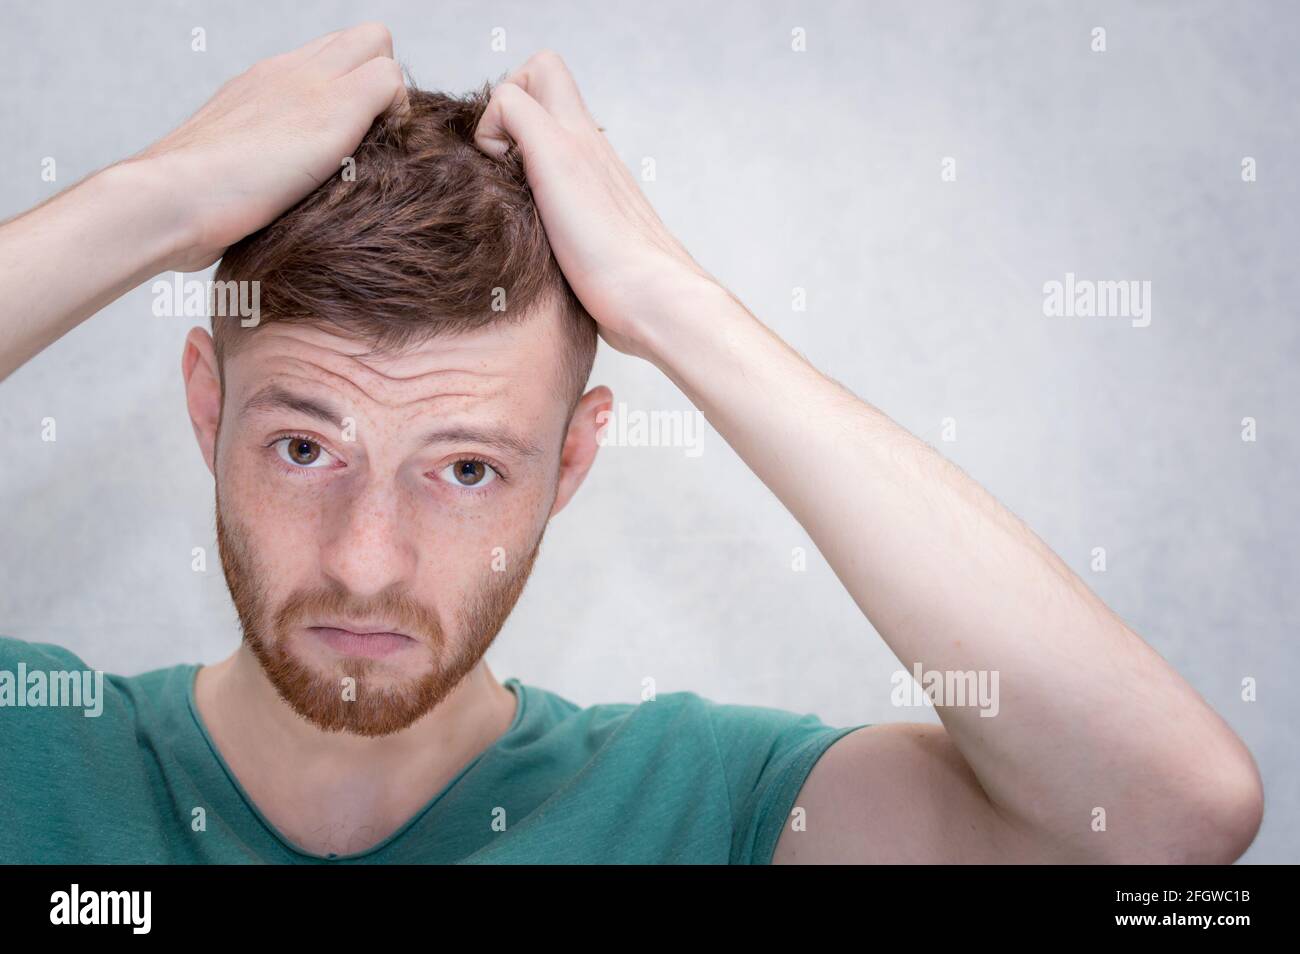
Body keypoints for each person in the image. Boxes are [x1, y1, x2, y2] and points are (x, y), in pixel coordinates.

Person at [0, 23, 1263, 864]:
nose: (368, 560)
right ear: (209, 411)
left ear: (576, 460)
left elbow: (1169, 820)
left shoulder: (703, 812)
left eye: (467, 467)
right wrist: (151, 199)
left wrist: (671, 303)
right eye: (303, 448)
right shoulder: (35, 752)